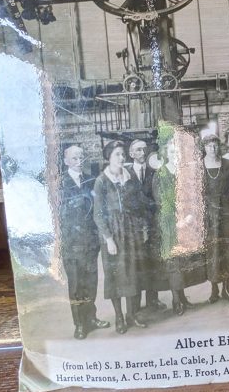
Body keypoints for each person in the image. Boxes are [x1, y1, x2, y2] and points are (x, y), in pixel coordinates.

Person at [93, 140, 150, 334]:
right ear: (109, 157)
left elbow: (139, 204)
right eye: (117, 154)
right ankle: (119, 318)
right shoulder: (101, 181)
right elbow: (98, 214)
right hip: (113, 234)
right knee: (116, 277)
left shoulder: (130, 177)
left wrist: (142, 227)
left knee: (134, 274)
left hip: (131, 231)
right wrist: (108, 239)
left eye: (123, 154)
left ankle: (132, 315)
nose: (121, 157)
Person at [151, 133, 207, 315]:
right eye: (172, 150)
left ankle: (182, 296)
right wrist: (178, 220)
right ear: (166, 152)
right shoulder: (161, 174)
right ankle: (176, 300)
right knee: (173, 262)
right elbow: (161, 202)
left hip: (187, 222)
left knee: (183, 261)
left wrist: (190, 216)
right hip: (170, 225)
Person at [59, 145, 109, 339]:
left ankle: (92, 318)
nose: (79, 160)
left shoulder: (90, 180)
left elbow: (98, 208)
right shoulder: (60, 183)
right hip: (71, 244)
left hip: (90, 242)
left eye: (81, 157)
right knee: (76, 284)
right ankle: (79, 324)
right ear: (66, 161)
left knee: (91, 282)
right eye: (74, 158)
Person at [201, 134, 229, 303]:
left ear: (219, 147)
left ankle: (226, 288)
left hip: (226, 211)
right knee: (212, 252)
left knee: (227, 251)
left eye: (215, 145)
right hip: (209, 213)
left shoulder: (228, 164)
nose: (213, 149)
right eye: (209, 146)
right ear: (204, 148)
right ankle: (214, 290)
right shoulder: (199, 166)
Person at [128, 139, 166, 312]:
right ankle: (135, 306)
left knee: (153, 263)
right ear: (131, 154)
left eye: (144, 150)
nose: (142, 153)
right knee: (136, 265)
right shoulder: (125, 173)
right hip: (134, 227)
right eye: (138, 150)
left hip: (153, 224)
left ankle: (153, 300)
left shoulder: (154, 171)